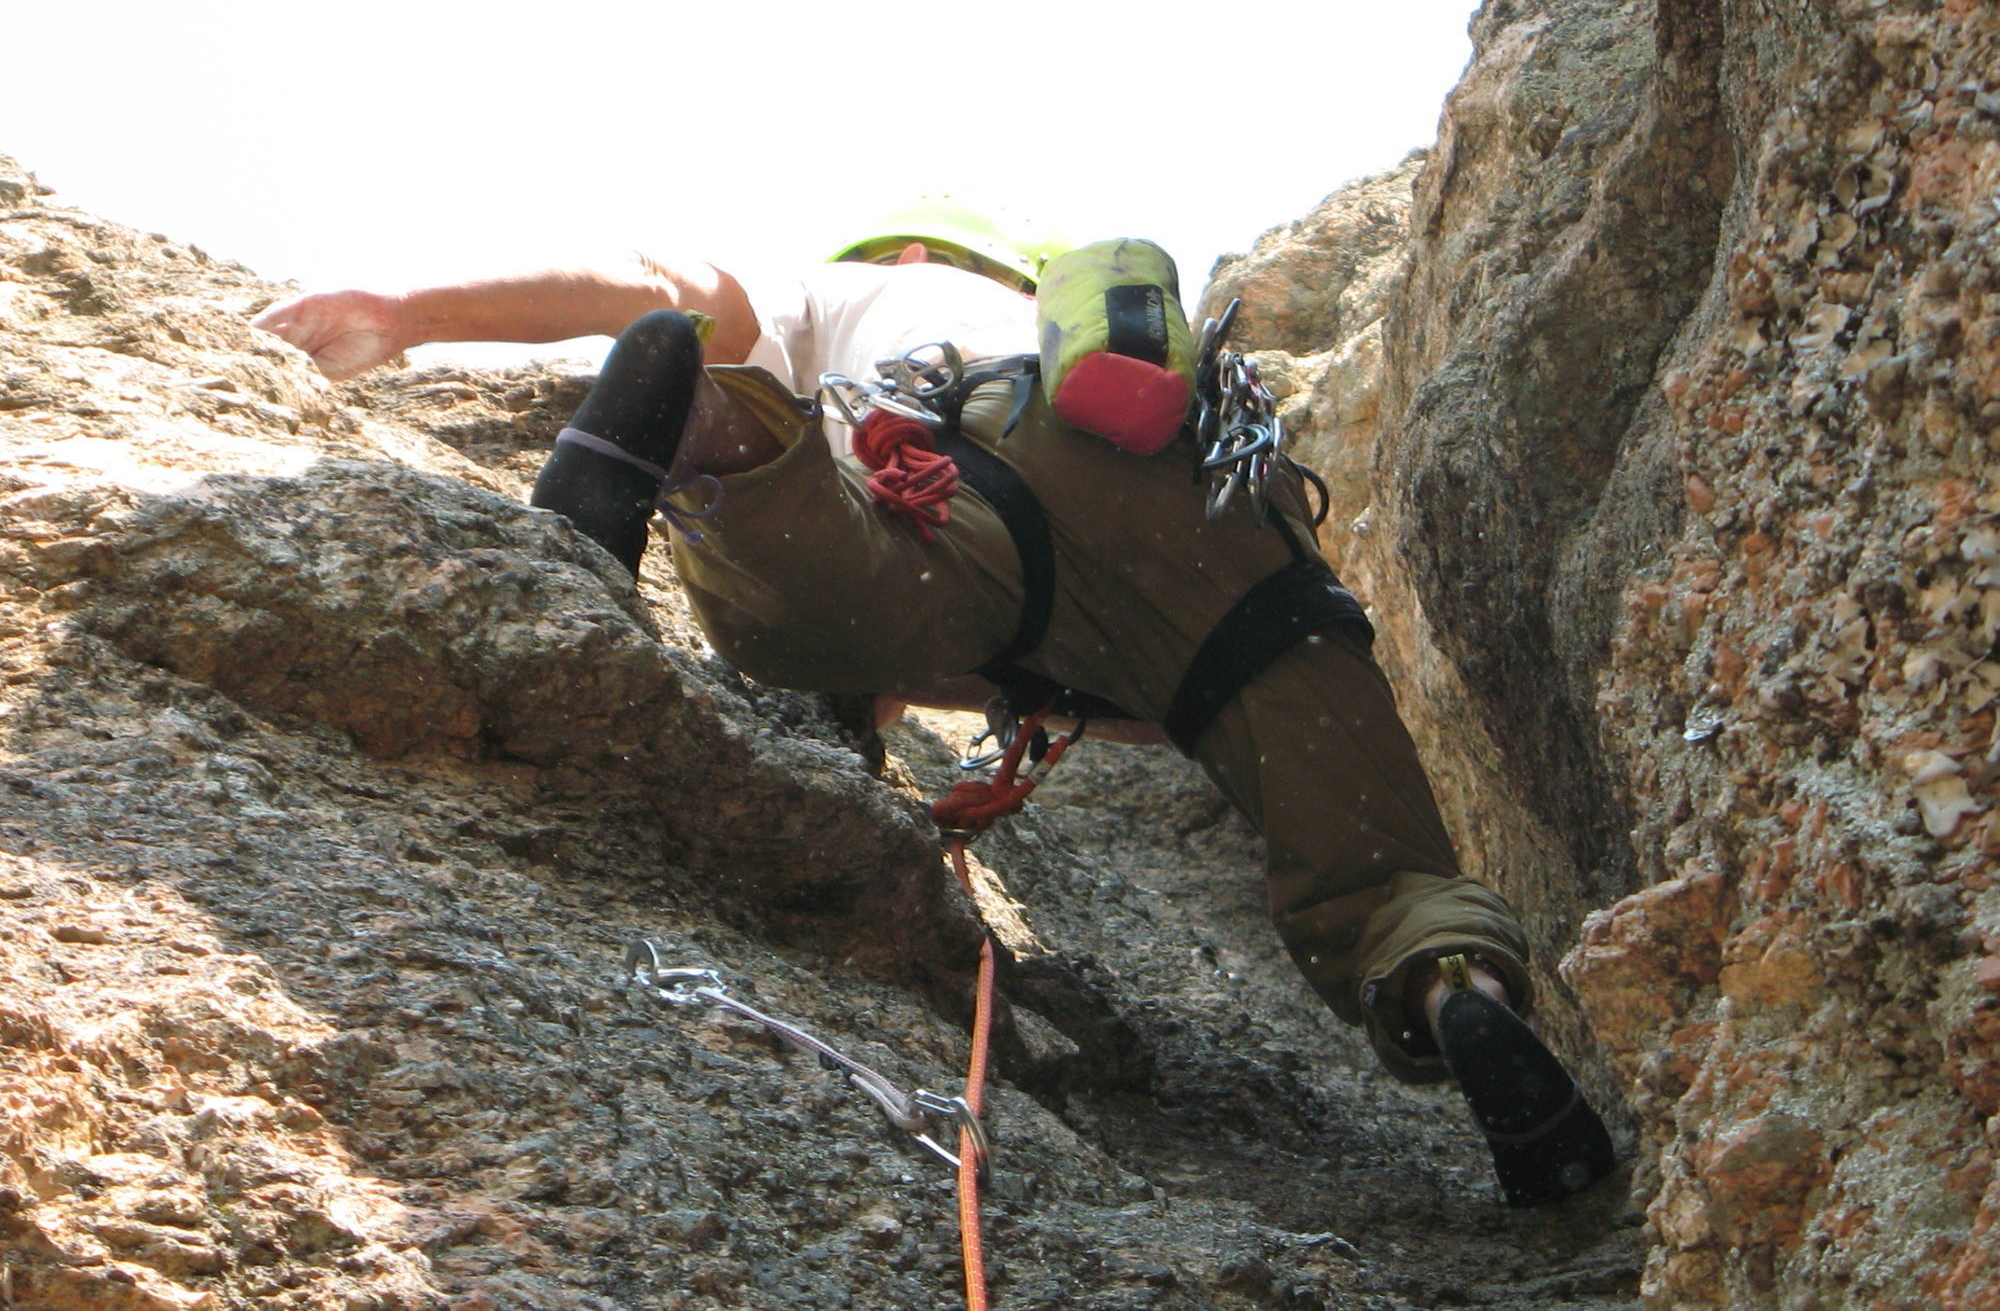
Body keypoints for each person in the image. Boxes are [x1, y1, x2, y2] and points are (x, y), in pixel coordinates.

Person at [251, 200, 1616, 1207]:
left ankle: (696, 431)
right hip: (1225, 521)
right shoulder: (1100, 344)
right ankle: (1455, 994)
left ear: (900, 259)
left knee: (804, 586)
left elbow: (665, 275)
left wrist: (412, 312)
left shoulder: (852, 298)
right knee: (1381, 870)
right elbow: (1150, 690)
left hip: (983, 474)